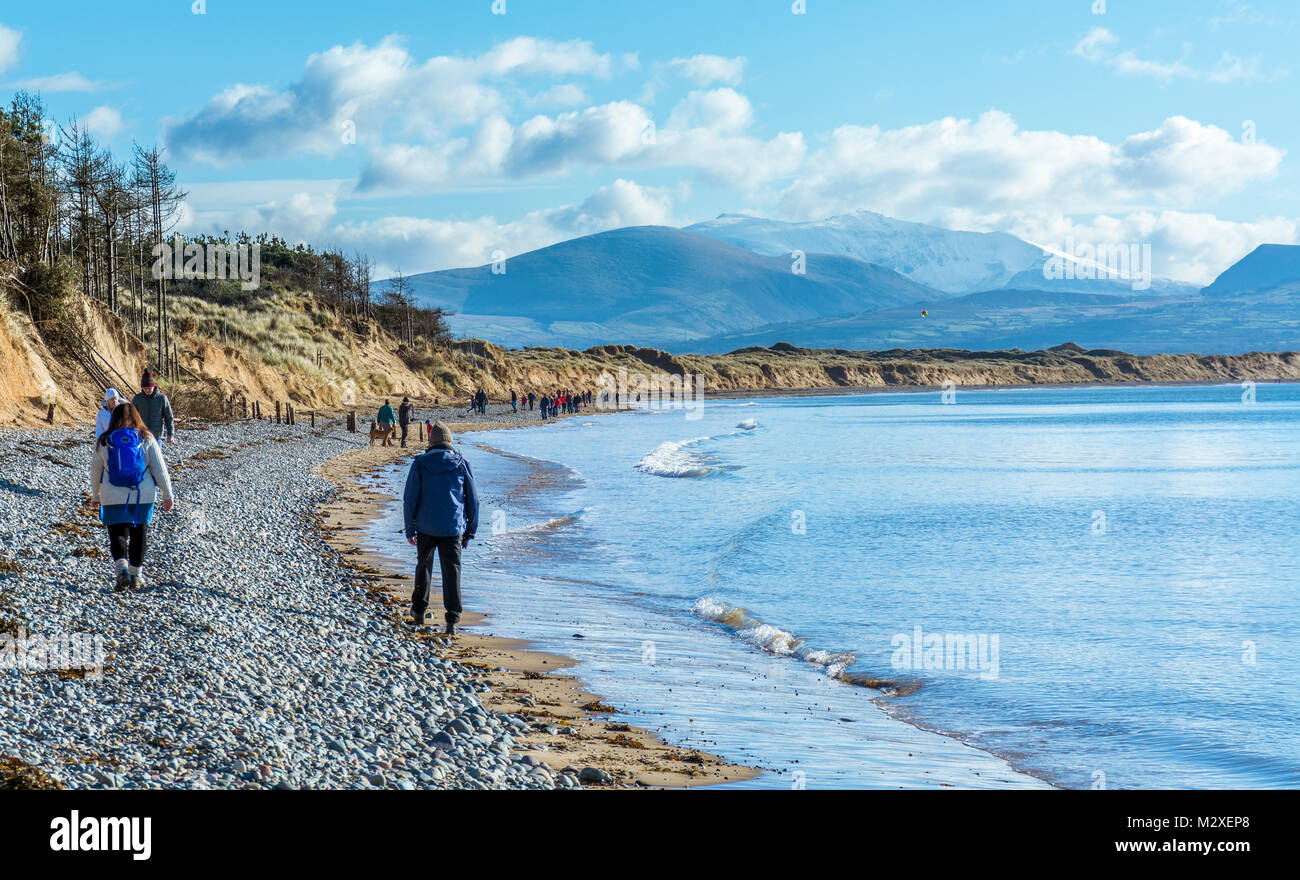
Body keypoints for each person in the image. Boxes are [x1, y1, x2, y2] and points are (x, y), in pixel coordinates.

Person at [403, 422, 478, 636]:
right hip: (453, 527)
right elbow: (473, 500)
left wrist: (410, 529)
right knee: (452, 572)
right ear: (449, 443)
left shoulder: (420, 463)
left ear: (431, 442)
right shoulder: (461, 463)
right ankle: (452, 622)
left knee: (423, 568)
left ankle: (418, 613)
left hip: (425, 526)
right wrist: (471, 529)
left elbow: (409, 499)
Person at [91, 403, 174, 591]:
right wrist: (167, 494)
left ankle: (121, 570)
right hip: (142, 496)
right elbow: (160, 469)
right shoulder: (146, 438)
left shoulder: (104, 440)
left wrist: (95, 495)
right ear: (137, 417)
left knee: (117, 533)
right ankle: (136, 576)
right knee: (139, 535)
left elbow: (95, 471)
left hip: (112, 495)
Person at [131, 370, 175, 448]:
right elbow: (131, 417)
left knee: (157, 460)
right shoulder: (137, 399)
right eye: (145, 388)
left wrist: (170, 434)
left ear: (153, 386)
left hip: (157, 437)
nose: (147, 390)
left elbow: (169, 417)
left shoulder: (162, 398)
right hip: (141, 437)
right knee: (142, 459)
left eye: (149, 388)